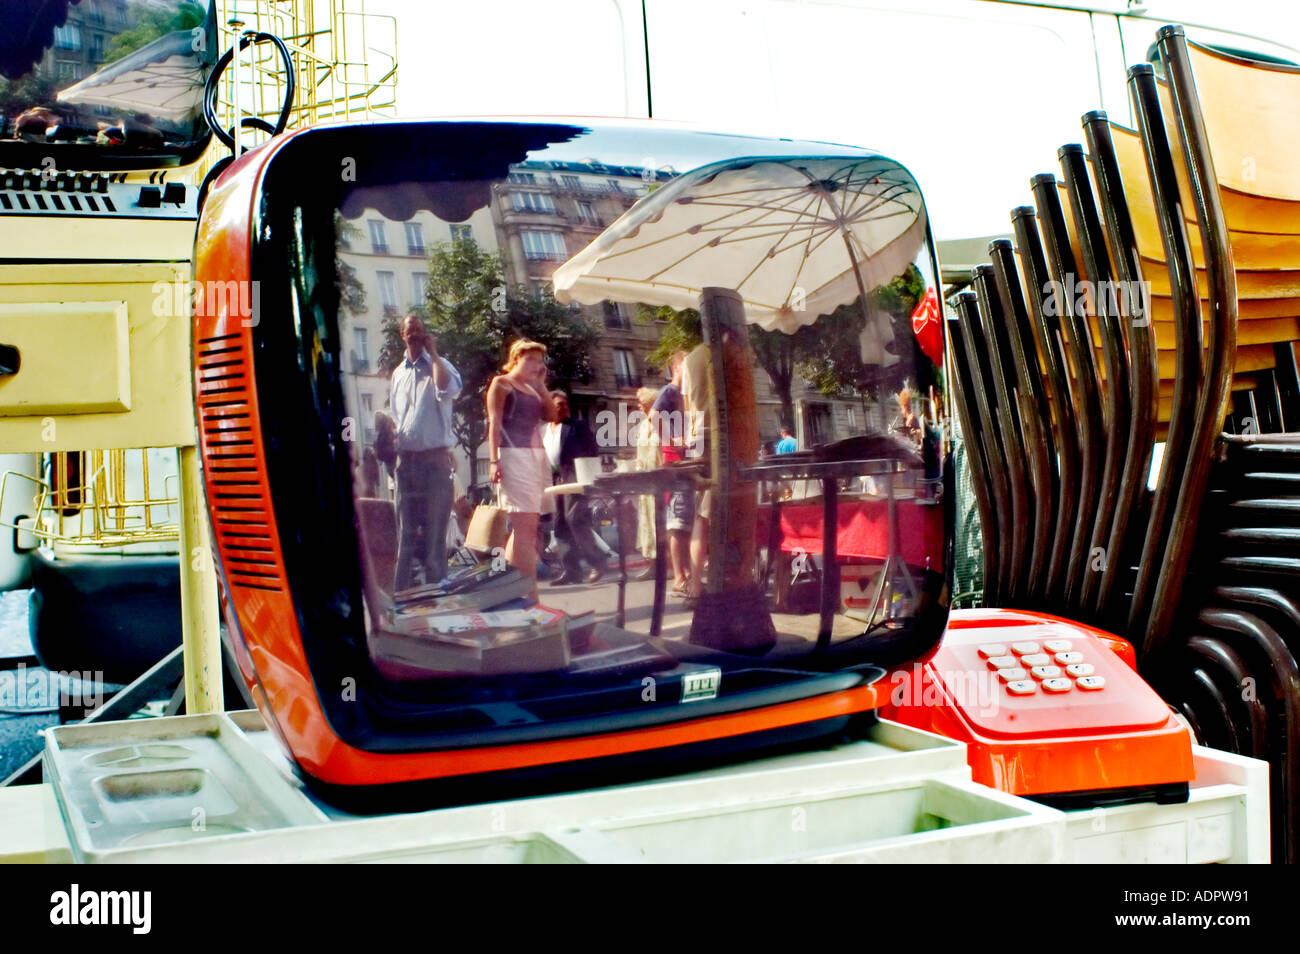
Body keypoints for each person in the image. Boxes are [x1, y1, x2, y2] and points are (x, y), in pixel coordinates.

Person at [389, 314, 462, 592]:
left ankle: (437, 600)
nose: (415, 334)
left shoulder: (439, 365)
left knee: (434, 539)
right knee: (405, 537)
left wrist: (434, 353)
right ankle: (401, 597)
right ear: (403, 335)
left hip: (435, 464)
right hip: (406, 465)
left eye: (420, 330)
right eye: (410, 330)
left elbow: (446, 387)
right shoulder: (398, 374)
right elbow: (399, 417)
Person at [488, 339, 556, 598]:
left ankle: (511, 589)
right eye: (530, 359)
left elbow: (551, 415)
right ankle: (531, 595)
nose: (536, 364)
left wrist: (541, 384)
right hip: (513, 455)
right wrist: (494, 461)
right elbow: (494, 423)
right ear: (516, 358)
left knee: (528, 527)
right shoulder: (501, 383)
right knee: (525, 527)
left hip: (536, 457)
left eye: (539, 360)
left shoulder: (534, 388)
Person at [543, 392, 607, 585]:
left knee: (575, 519)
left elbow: (592, 451)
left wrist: (593, 480)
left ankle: (598, 562)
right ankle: (571, 572)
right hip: (555, 478)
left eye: (564, 404)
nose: (562, 407)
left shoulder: (577, 426)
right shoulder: (544, 429)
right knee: (560, 524)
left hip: (575, 475)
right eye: (558, 405)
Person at [651, 350, 693, 595]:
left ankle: (685, 573)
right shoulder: (670, 391)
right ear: (675, 368)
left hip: (684, 461)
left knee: (685, 520)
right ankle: (679, 577)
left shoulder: (685, 394)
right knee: (678, 522)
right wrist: (673, 440)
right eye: (685, 367)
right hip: (675, 461)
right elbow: (653, 416)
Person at [634, 386, 661, 575]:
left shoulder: (662, 422)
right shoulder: (643, 426)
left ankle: (665, 563)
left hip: (660, 479)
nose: (639, 407)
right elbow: (640, 452)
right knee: (647, 522)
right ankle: (652, 563)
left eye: (642, 404)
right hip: (645, 480)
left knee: (660, 522)